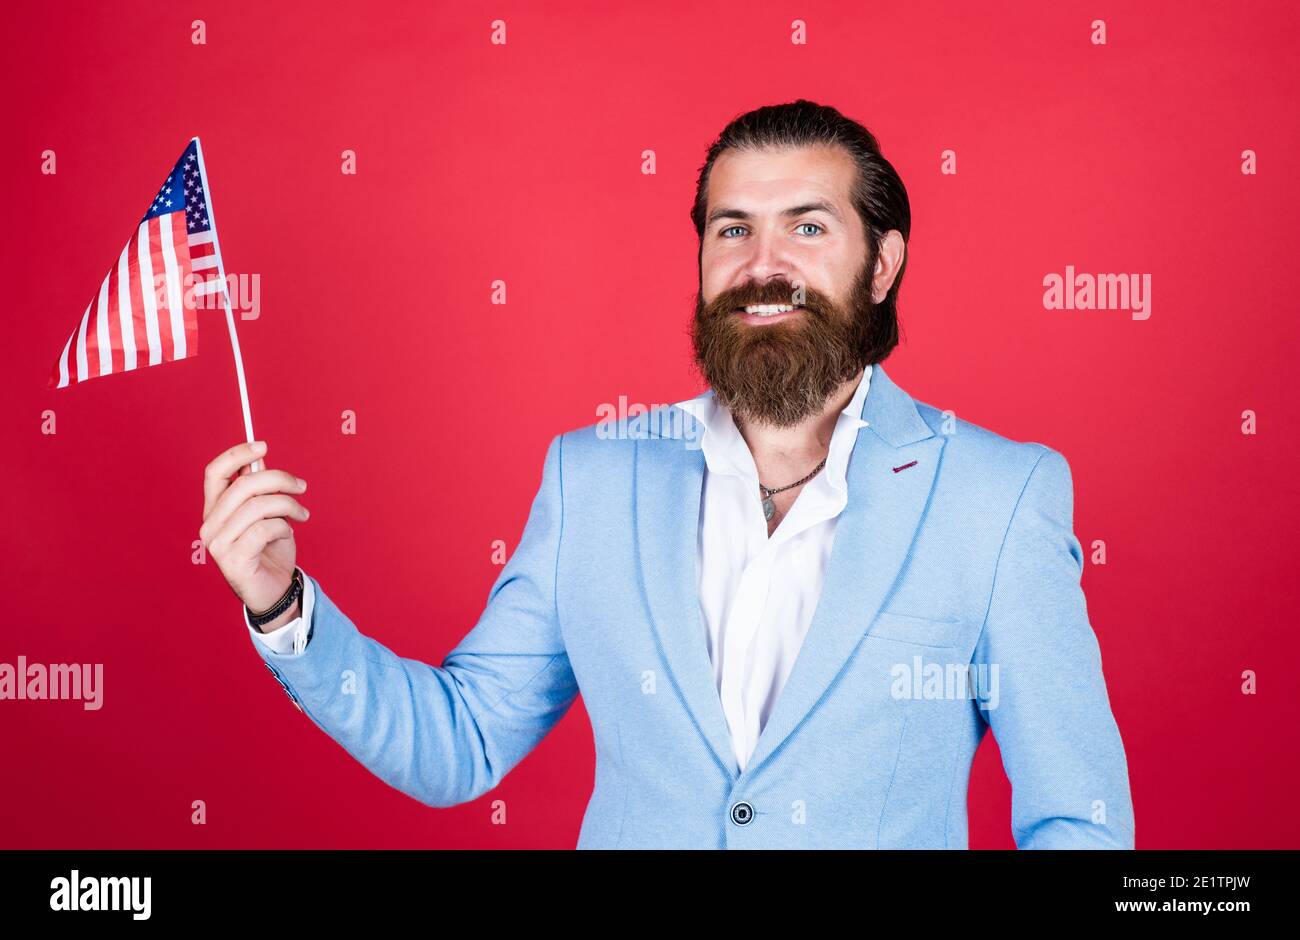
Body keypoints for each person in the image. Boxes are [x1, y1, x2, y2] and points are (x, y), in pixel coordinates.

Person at [198, 100, 1134, 849]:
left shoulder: (998, 497)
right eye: (733, 231)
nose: (764, 265)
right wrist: (283, 608)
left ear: (882, 263)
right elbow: (463, 744)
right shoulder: (592, 478)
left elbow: (1079, 819)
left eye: (808, 228)